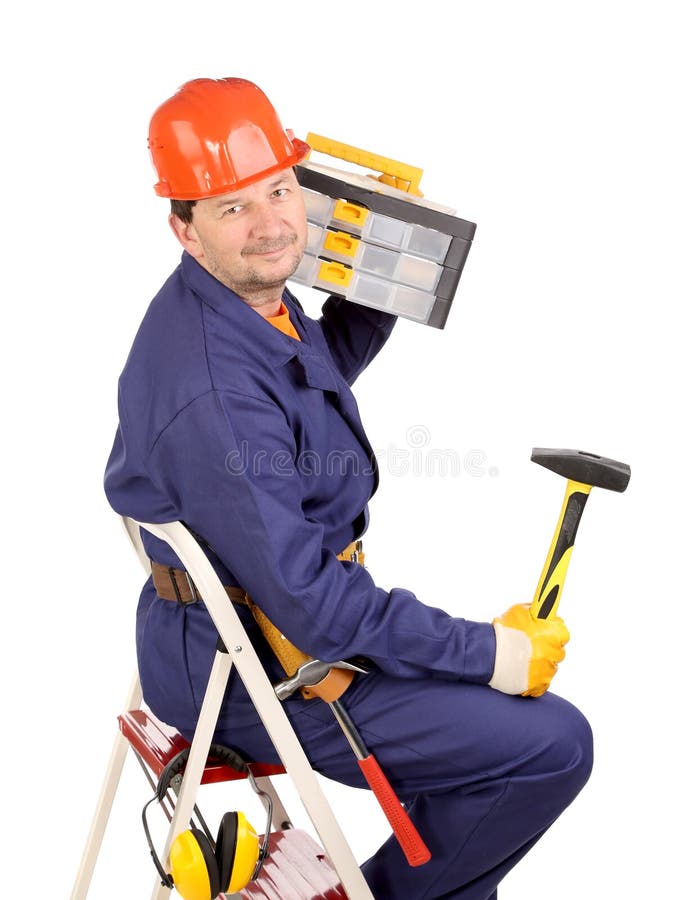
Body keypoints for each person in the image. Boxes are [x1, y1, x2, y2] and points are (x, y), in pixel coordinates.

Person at [104, 77, 593, 899]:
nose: (270, 225)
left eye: (280, 189)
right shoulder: (214, 391)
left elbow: (303, 380)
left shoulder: (235, 303)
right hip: (249, 668)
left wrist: (382, 264)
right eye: (231, 208)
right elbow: (315, 605)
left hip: (263, 628)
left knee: (490, 750)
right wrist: (494, 654)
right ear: (183, 228)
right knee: (548, 743)